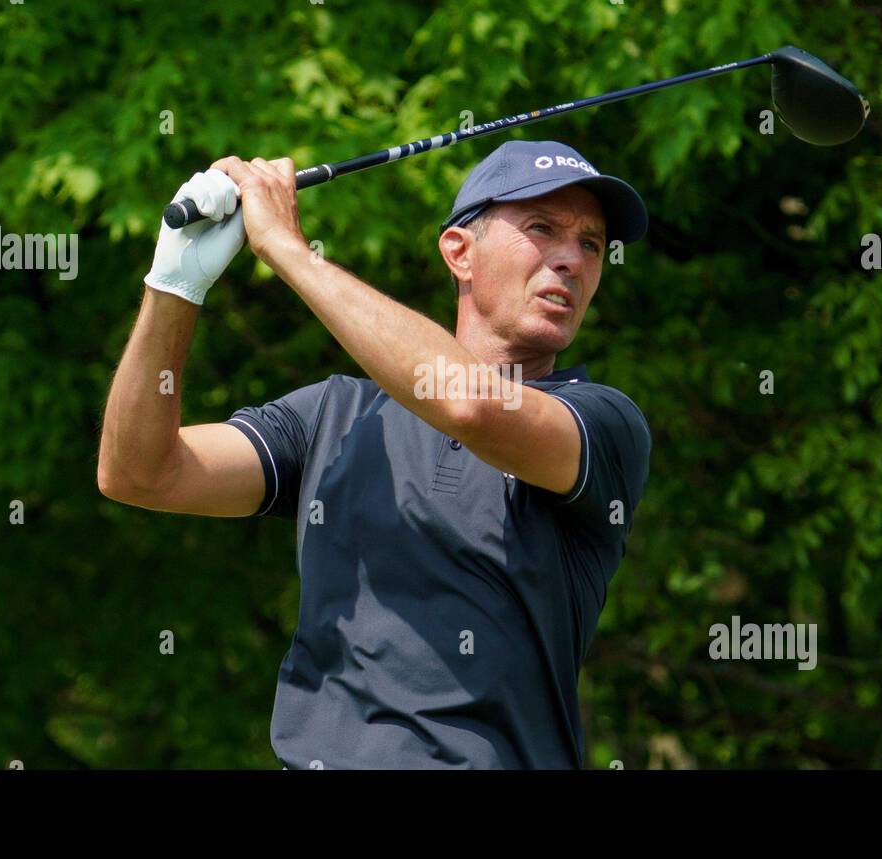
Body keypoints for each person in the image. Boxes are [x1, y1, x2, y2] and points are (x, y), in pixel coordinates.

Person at [97, 139, 652, 768]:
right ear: (459, 252)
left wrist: (285, 249)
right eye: (542, 228)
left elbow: (469, 404)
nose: (570, 260)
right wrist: (173, 285)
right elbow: (140, 472)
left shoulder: (603, 421)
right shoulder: (333, 413)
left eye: (591, 244)